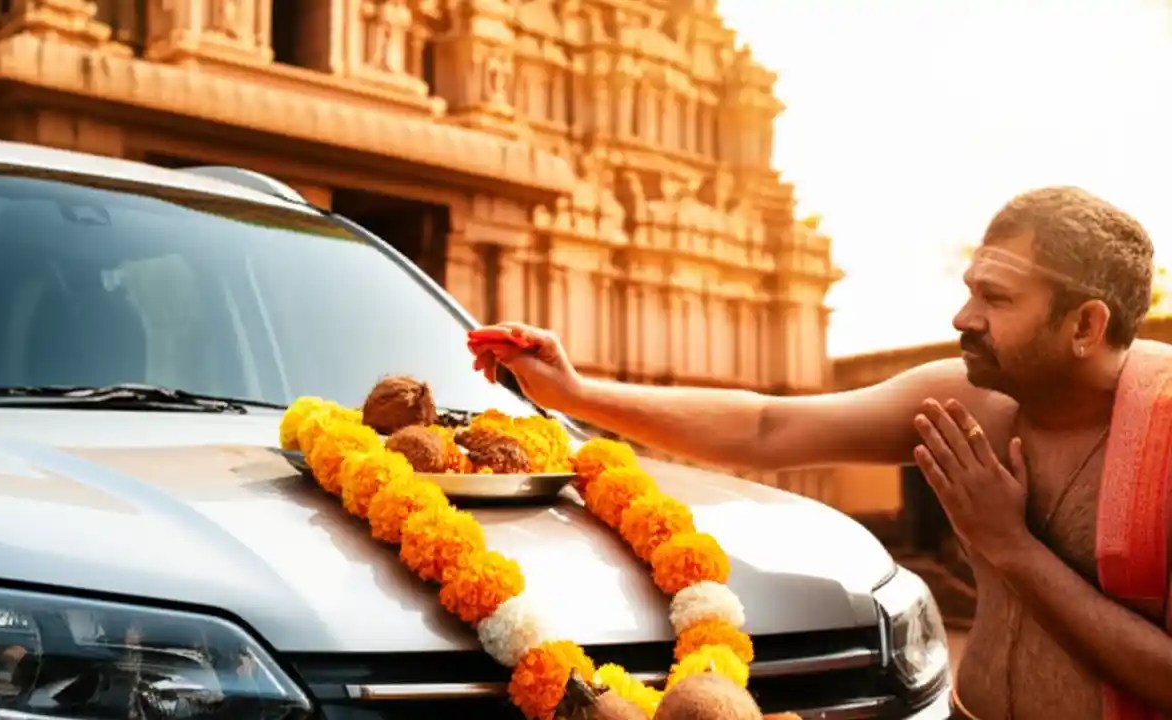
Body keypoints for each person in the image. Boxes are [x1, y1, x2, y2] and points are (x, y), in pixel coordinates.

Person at [466, 186, 1172, 720]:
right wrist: (578, 394)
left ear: (1085, 324)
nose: (963, 319)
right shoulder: (976, 407)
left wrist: (1010, 549)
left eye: (996, 298)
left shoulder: (1163, 438)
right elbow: (768, 428)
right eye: (969, 292)